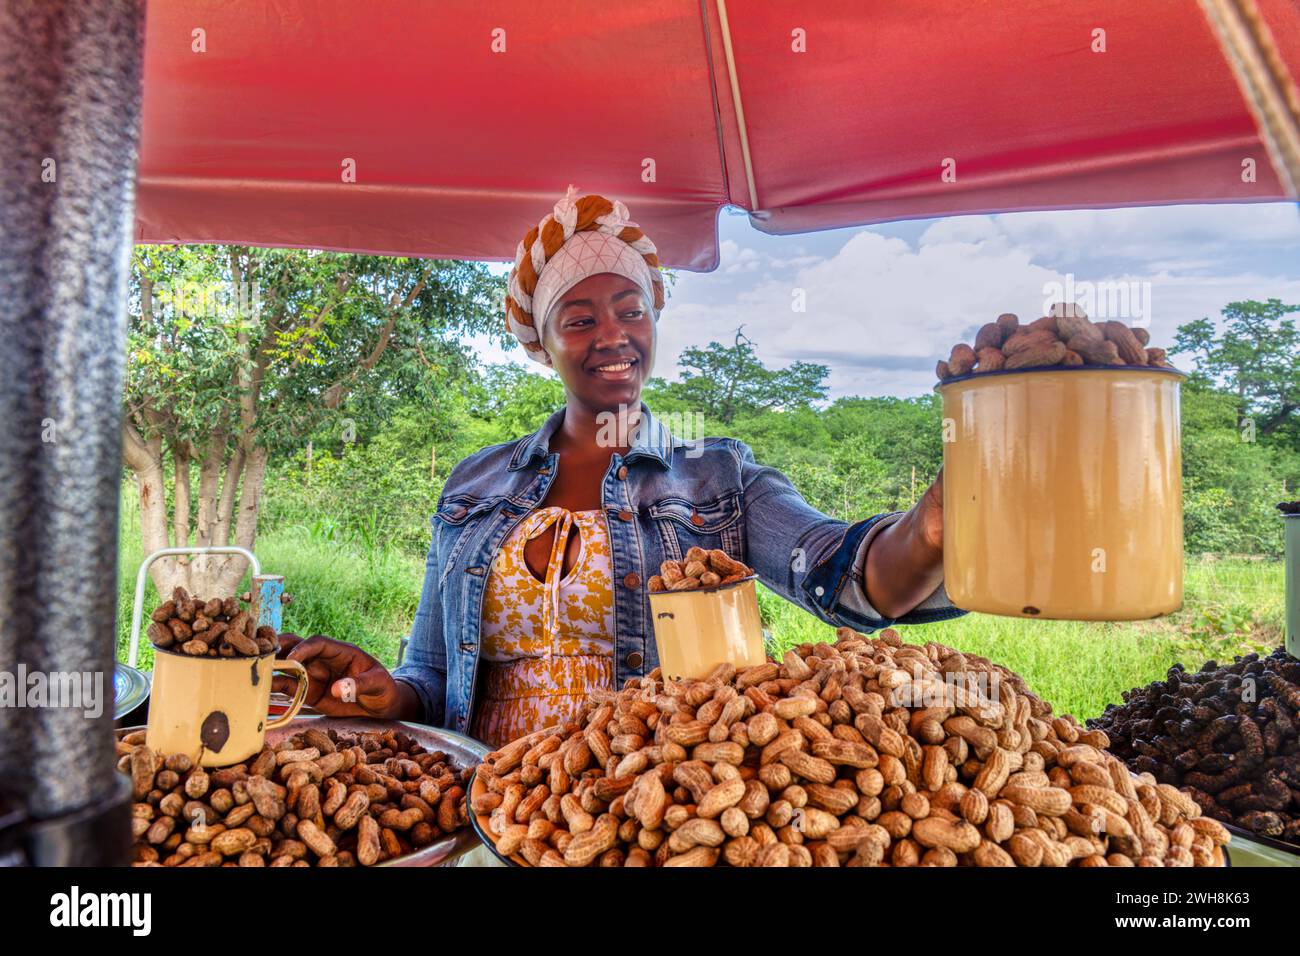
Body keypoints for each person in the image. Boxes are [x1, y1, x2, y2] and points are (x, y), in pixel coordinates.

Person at [275, 187, 964, 750]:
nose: (612, 334)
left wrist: (932, 528)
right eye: (578, 320)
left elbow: (848, 576)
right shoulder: (474, 486)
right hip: (490, 809)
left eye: (631, 311)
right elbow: (427, 674)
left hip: (654, 809)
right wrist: (382, 691)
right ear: (542, 345)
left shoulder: (716, 477)